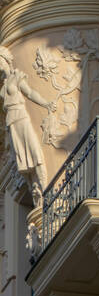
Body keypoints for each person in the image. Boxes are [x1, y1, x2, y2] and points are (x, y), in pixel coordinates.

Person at [0, 46, 54, 204]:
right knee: (21, 161)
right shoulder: (3, 85)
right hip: (11, 122)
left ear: (6, 60)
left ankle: (44, 185)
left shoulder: (17, 77)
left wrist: (46, 104)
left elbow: (30, 93)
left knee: (34, 151)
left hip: (21, 116)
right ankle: (35, 189)